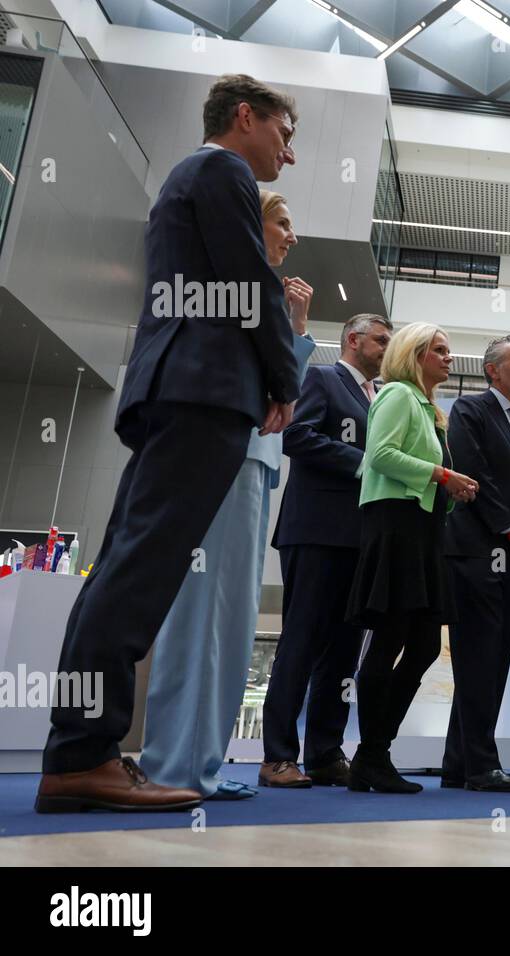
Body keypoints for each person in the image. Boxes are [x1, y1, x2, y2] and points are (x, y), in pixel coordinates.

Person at [36, 74, 301, 813]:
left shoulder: (192, 177)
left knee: (130, 565)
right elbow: (249, 284)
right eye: (284, 133)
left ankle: (80, 750)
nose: (289, 152)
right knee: (140, 571)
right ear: (244, 117)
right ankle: (83, 754)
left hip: (180, 388)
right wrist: (285, 379)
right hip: (203, 390)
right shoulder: (220, 170)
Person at [137, 190, 316, 801]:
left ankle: (202, 764)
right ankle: (174, 765)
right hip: (225, 453)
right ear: (250, 224)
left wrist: (294, 330)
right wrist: (287, 329)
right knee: (202, 611)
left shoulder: (262, 293)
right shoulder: (228, 283)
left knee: (233, 620)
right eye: (282, 224)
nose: (291, 237)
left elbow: (281, 389)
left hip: (254, 463)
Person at [258, 312, 393, 789]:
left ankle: (324, 752)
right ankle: (277, 755)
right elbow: (297, 436)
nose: (386, 347)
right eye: (380, 340)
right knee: (301, 644)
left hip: (361, 540)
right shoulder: (322, 378)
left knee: (342, 653)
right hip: (316, 532)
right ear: (353, 340)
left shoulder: (379, 397)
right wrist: (367, 465)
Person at [344, 323, 477, 794]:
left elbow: (417, 471)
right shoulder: (398, 395)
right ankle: (371, 757)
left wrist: (451, 489)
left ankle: (373, 753)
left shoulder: (429, 409)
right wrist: (443, 474)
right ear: (414, 354)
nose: (449, 358)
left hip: (422, 531)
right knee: (389, 642)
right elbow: (379, 455)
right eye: (439, 350)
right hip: (396, 528)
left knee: (420, 647)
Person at [442, 335, 510, 793]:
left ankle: (458, 763)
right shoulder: (469, 411)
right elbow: (474, 473)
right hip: (475, 552)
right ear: (492, 371)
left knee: (493, 661)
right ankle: (482, 765)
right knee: (478, 660)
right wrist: (509, 529)